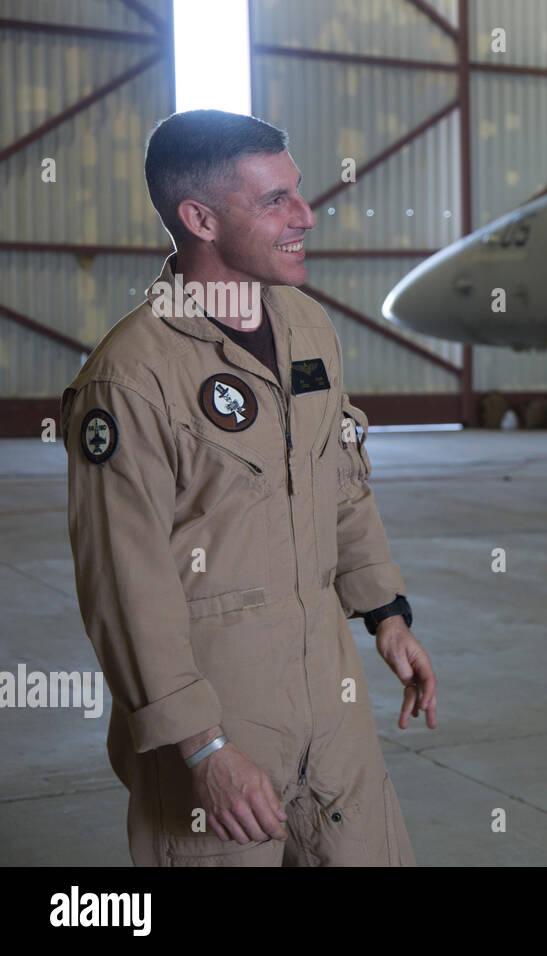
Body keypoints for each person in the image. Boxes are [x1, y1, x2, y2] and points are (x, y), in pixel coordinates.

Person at [61, 110, 436, 866]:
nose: (307, 215)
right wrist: (204, 749)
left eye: (298, 192)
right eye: (276, 201)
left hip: (330, 701)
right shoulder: (130, 378)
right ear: (198, 218)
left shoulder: (309, 329)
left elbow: (341, 482)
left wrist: (384, 613)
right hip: (220, 714)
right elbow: (126, 586)